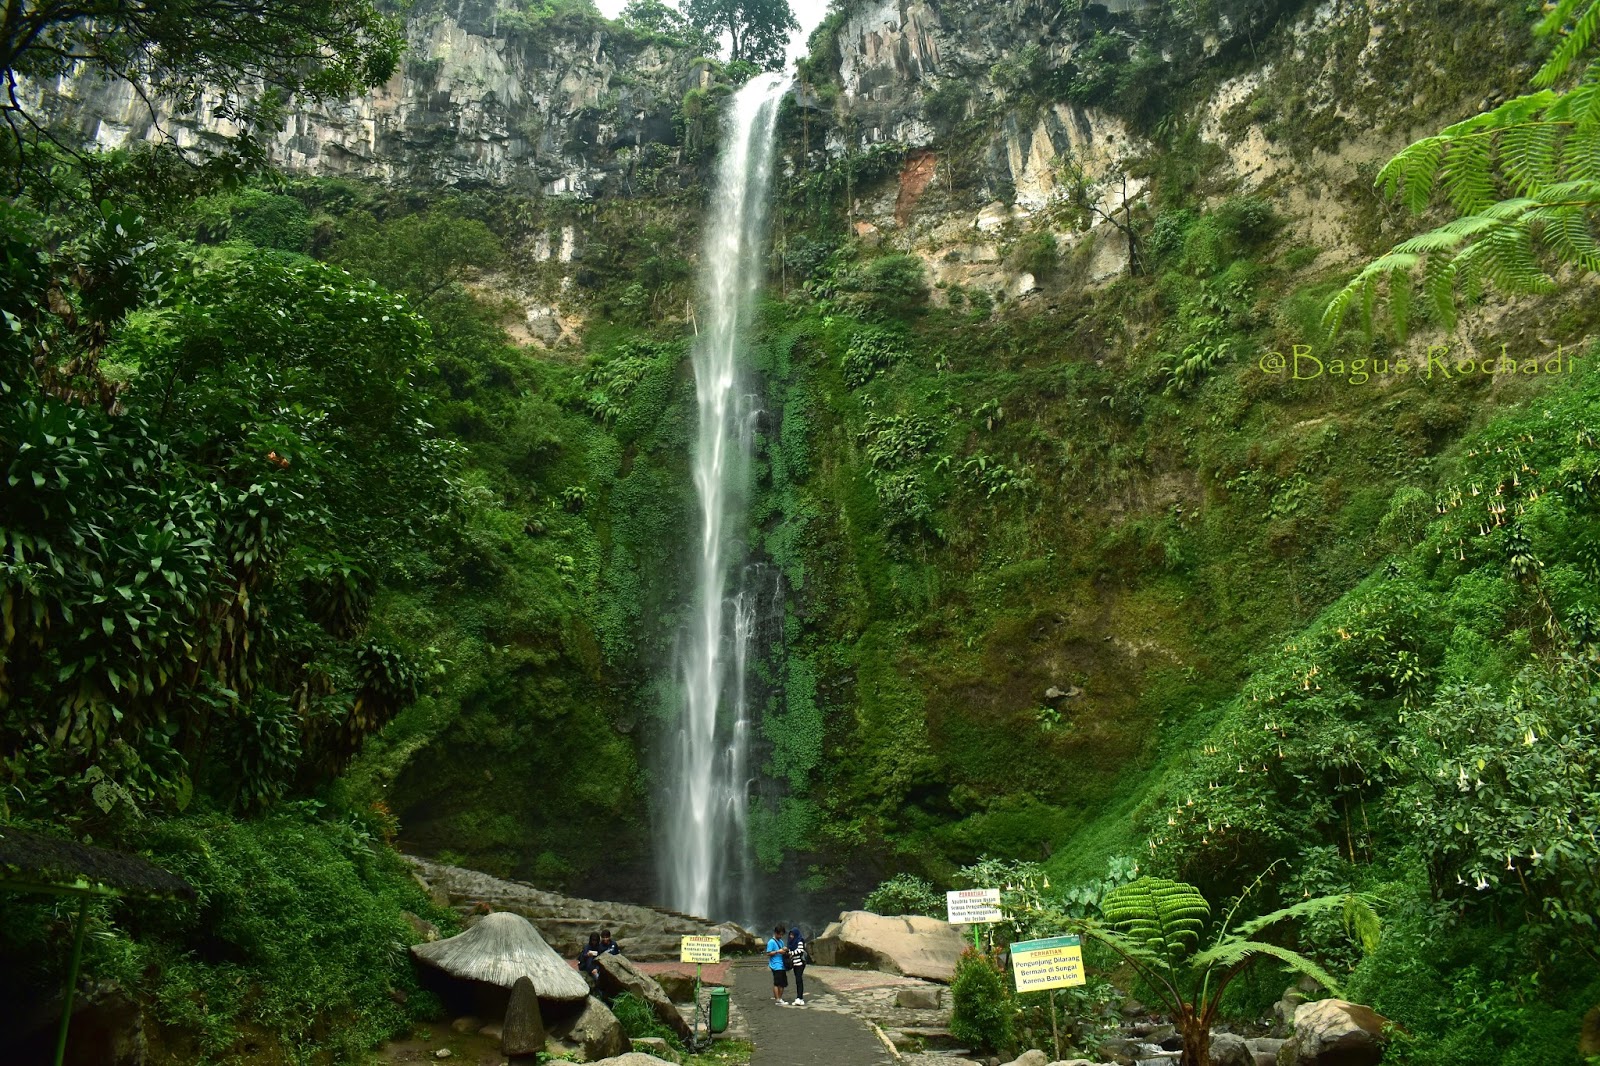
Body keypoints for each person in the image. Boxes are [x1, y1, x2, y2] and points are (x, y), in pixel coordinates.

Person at [766, 924, 789, 1004]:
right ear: (775, 933)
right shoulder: (771, 942)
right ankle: (778, 999)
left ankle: (780, 998)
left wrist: (784, 949)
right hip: (776, 965)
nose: (781, 936)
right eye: (779, 934)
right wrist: (777, 951)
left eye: (782, 934)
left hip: (782, 964)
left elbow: (782, 950)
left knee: (783, 983)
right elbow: (768, 953)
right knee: (777, 983)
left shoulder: (781, 941)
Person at [787, 927, 808, 1006]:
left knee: (799, 980)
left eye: (792, 935)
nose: (791, 936)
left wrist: (791, 953)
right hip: (795, 964)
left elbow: (800, 950)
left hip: (800, 964)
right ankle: (799, 998)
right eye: (790, 935)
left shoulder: (799, 941)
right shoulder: (791, 942)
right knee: (797, 980)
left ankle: (800, 998)